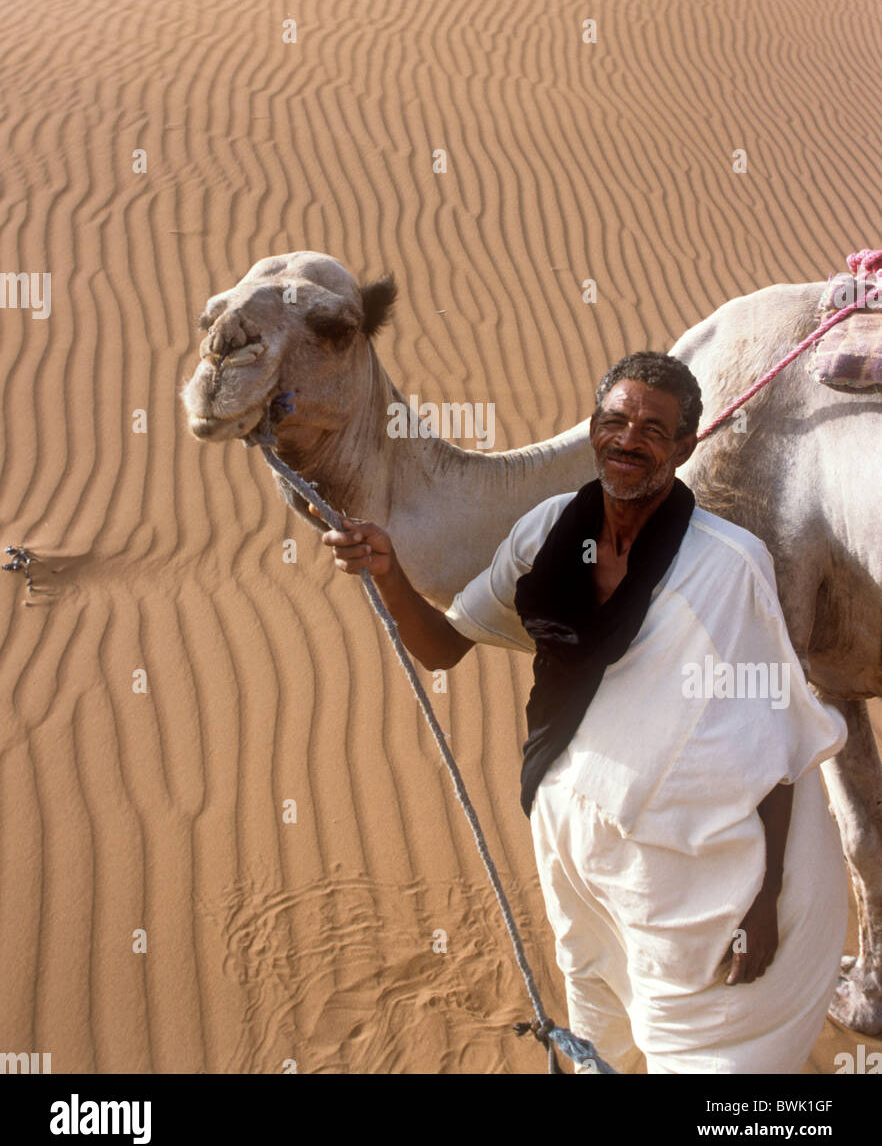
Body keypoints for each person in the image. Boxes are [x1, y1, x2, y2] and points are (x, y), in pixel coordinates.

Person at [313, 352, 848, 1074]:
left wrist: (765, 904)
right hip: (581, 870)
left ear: (686, 447)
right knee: (604, 1043)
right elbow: (441, 646)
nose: (629, 440)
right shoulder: (544, 536)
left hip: (707, 892)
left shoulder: (730, 565)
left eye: (654, 430)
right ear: (593, 428)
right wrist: (388, 571)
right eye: (615, 420)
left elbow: (780, 751)